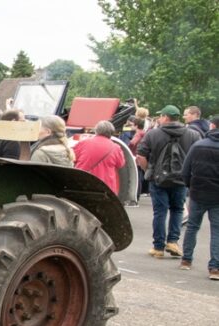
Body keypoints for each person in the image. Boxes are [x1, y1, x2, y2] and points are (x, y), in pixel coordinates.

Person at [136, 105, 202, 258]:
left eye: (161, 116)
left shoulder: (153, 134)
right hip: (181, 179)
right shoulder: (193, 134)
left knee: (160, 212)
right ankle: (173, 241)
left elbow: (141, 156)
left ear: (166, 117)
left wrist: (148, 171)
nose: (159, 118)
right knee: (177, 210)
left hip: (158, 179)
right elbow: (197, 157)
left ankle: (158, 247)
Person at [180, 115, 219, 280]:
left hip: (197, 192)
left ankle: (186, 260)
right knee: (216, 231)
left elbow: (185, 170)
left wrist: (190, 186)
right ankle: (215, 267)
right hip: (217, 196)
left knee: (192, 227)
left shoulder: (198, 145)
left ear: (212, 126)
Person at [74, 120, 126, 194]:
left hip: (83, 182)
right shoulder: (116, 148)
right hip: (105, 186)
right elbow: (120, 164)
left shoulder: (83, 143)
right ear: (112, 132)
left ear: (96, 130)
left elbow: (73, 158)